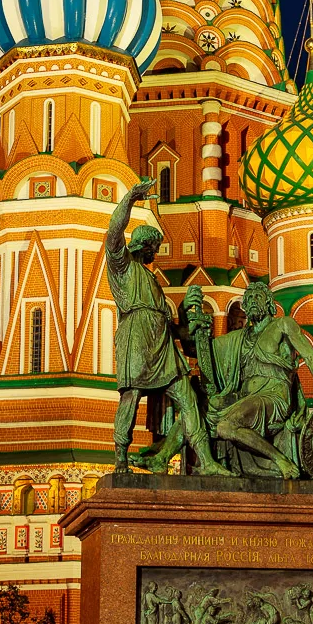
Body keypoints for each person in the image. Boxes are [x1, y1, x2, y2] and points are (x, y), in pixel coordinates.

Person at [103, 179, 233, 476]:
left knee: (187, 398)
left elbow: (171, 326)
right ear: (142, 245)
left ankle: (207, 461)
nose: (155, 254)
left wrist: (192, 334)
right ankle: (121, 457)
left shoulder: (152, 282)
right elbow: (113, 233)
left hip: (162, 341)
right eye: (153, 247)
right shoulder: (122, 266)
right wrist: (131, 199)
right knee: (131, 396)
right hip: (136, 335)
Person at [204, 279, 313, 479]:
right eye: (249, 298)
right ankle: (165, 457)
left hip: (273, 397)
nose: (253, 300)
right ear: (244, 306)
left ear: (269, 303)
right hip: (243, 398)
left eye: (258, 296)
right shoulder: (238, 337)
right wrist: (193, 322)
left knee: (225, 426)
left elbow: (309, 355)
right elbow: (205, 351)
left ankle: (281, 460)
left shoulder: (283, 324)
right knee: (198, 413)